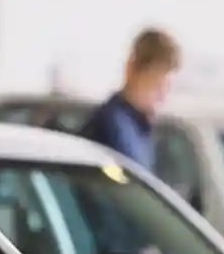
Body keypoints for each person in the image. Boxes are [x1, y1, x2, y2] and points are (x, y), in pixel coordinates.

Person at [76, 27, 180, 171]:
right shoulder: (113, 125)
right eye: (155, 84)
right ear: (132, 70)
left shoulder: (139, 128)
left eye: (166, 87)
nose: (161, 96)